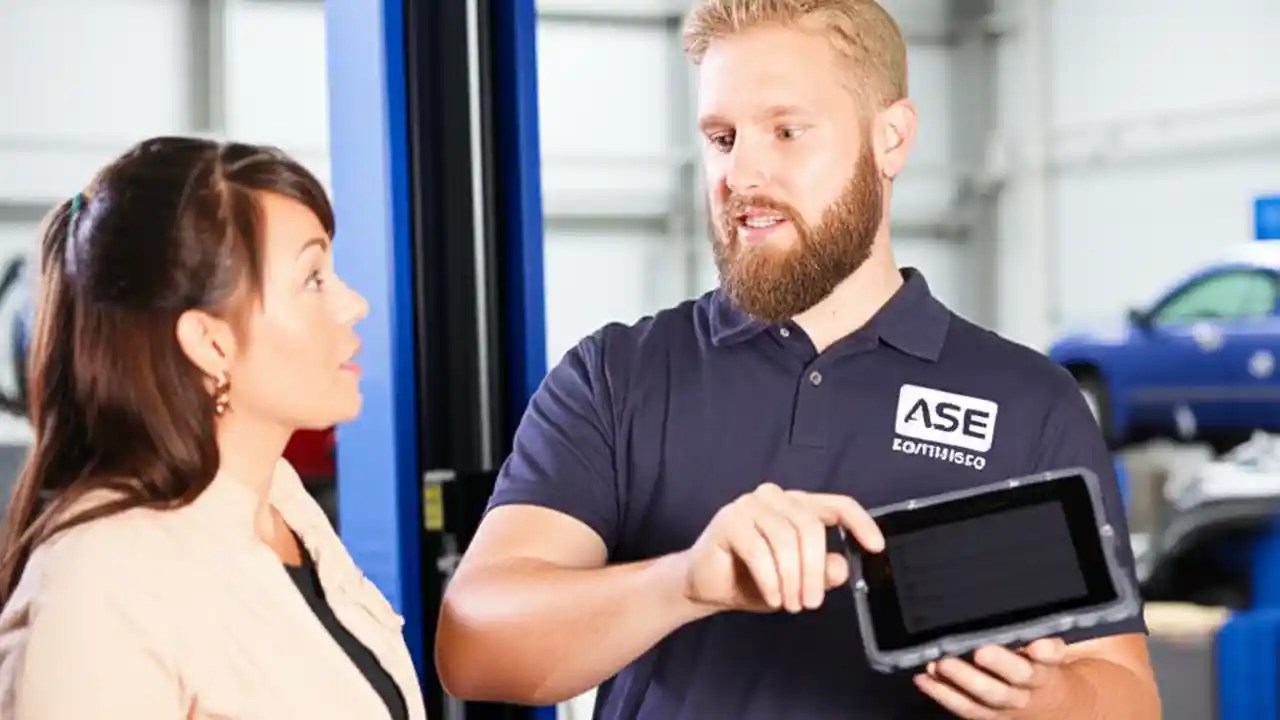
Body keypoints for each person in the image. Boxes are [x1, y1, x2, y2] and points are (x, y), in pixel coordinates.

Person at [435, 1, 1161, 718]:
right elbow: (473, 647)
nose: (742, 174)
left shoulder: (1028, 401)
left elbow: (1124, 691)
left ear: (892, 139)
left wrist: (1049, 698)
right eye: (721, 137)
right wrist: (686, 582)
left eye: (787, 131)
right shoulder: (617, 375)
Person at [0, 137, 427, 720]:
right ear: (210, 342)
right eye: (313, 278)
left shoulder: (282, 504)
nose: (354, 304)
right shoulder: (102, 581)